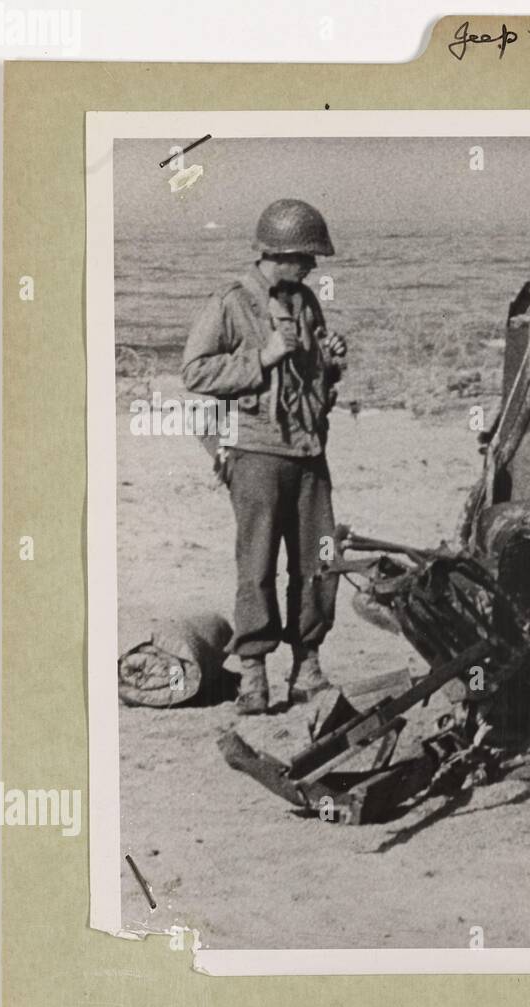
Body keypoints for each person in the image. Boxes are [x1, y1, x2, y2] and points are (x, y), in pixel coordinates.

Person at [181, 198, 348, 715]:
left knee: (318, 560)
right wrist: (263, 356)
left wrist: (331, 360)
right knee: (256, 565)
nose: (314, 267)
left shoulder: (306, 301)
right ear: (281, 252)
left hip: (307, 449)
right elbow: (195, 372)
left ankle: (307, 666)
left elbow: (308, 377)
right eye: (307, 257)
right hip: (255, 451)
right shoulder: (231, 302)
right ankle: (253, 671)